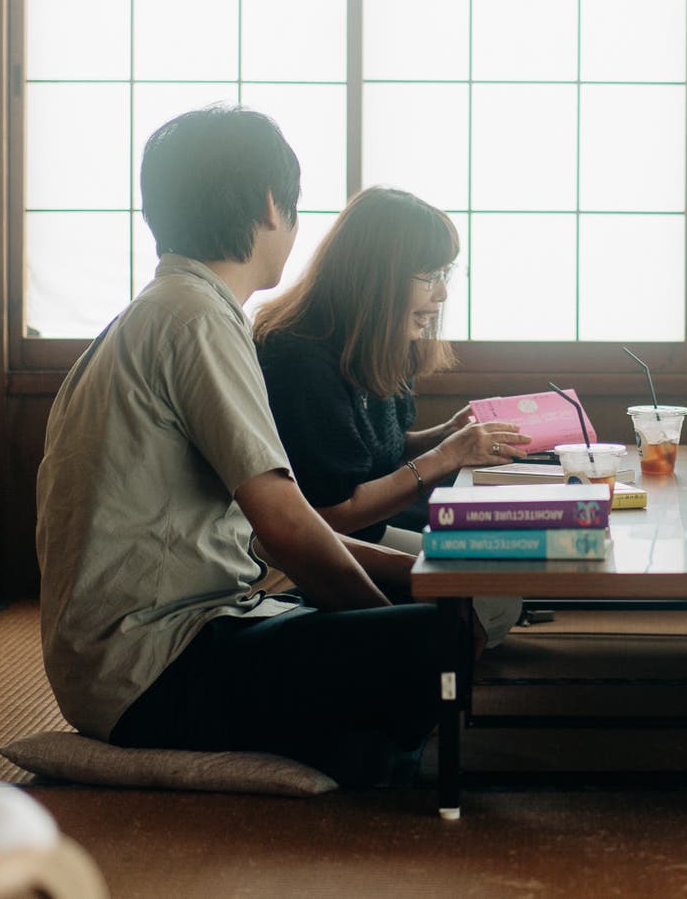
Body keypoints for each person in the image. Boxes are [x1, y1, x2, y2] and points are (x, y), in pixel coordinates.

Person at [35, 106, 444, 788]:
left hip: (161, 643)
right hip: (154, 668)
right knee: (437, 640)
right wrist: (391, 611)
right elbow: (283, 527)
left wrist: (412, 575)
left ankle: (357, 739)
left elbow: (261, 536)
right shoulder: (195, 320)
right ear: (268, 206)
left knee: (429, 611)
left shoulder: (168, 310)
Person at [253, 186, 527, 643]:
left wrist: (445, 436)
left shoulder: (371, 342)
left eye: (444, 274)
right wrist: (444, 457)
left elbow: (375, 448)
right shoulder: (298, 360)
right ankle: (431, 685)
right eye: (429, 276)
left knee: (509, 572)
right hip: (327, 546)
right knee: (493, 594)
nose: (441, 294)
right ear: (379, 275)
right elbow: (327, 516)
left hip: (381, 522)